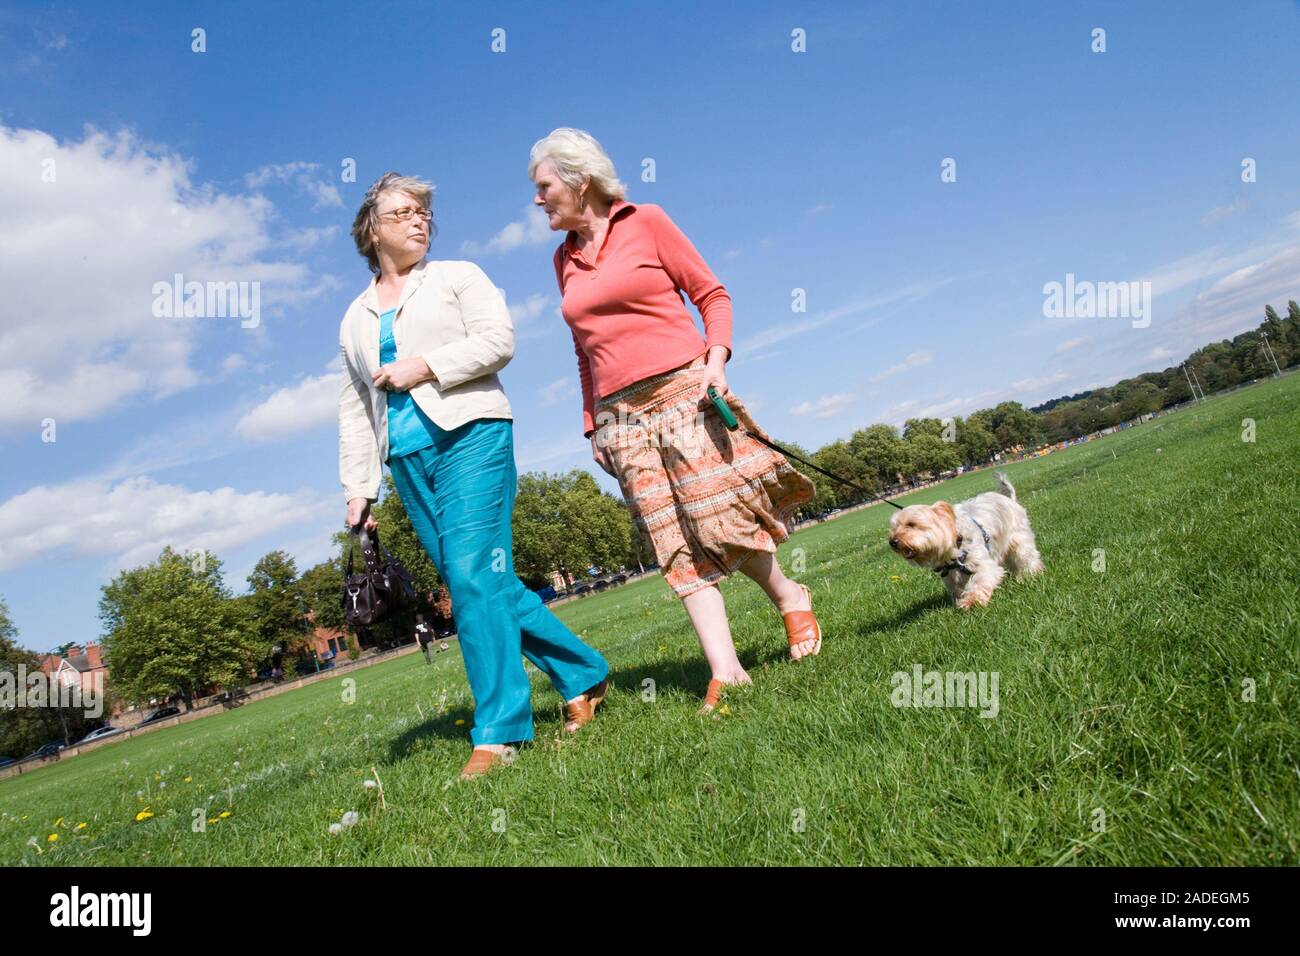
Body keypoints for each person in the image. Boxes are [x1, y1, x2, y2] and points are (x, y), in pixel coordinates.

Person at [529, 128, 820, 713]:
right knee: (672, 539)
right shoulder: (562, 260)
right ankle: (727, 670)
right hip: (620, 414)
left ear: (579, 180)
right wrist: (593, 426)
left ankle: (789, 595)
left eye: (544, 186)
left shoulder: (648, 221)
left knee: (718, 520)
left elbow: (712, 294)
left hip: (684, 388)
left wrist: (716, 361)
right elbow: (583, 351)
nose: (537, 200)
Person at [339, 172, 610, 779]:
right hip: (407, 459)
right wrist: (358, 488)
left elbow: (498, 342)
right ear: (373, 229)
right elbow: (356, 407)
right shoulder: (353, 318)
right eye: (404, 212)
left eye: (425, 213)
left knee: (469, 575)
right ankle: (584, 674)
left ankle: (500, 730)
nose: (420, 221)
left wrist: (425, 366)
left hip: (473, 436)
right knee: (484, 582)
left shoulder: (459, 276)